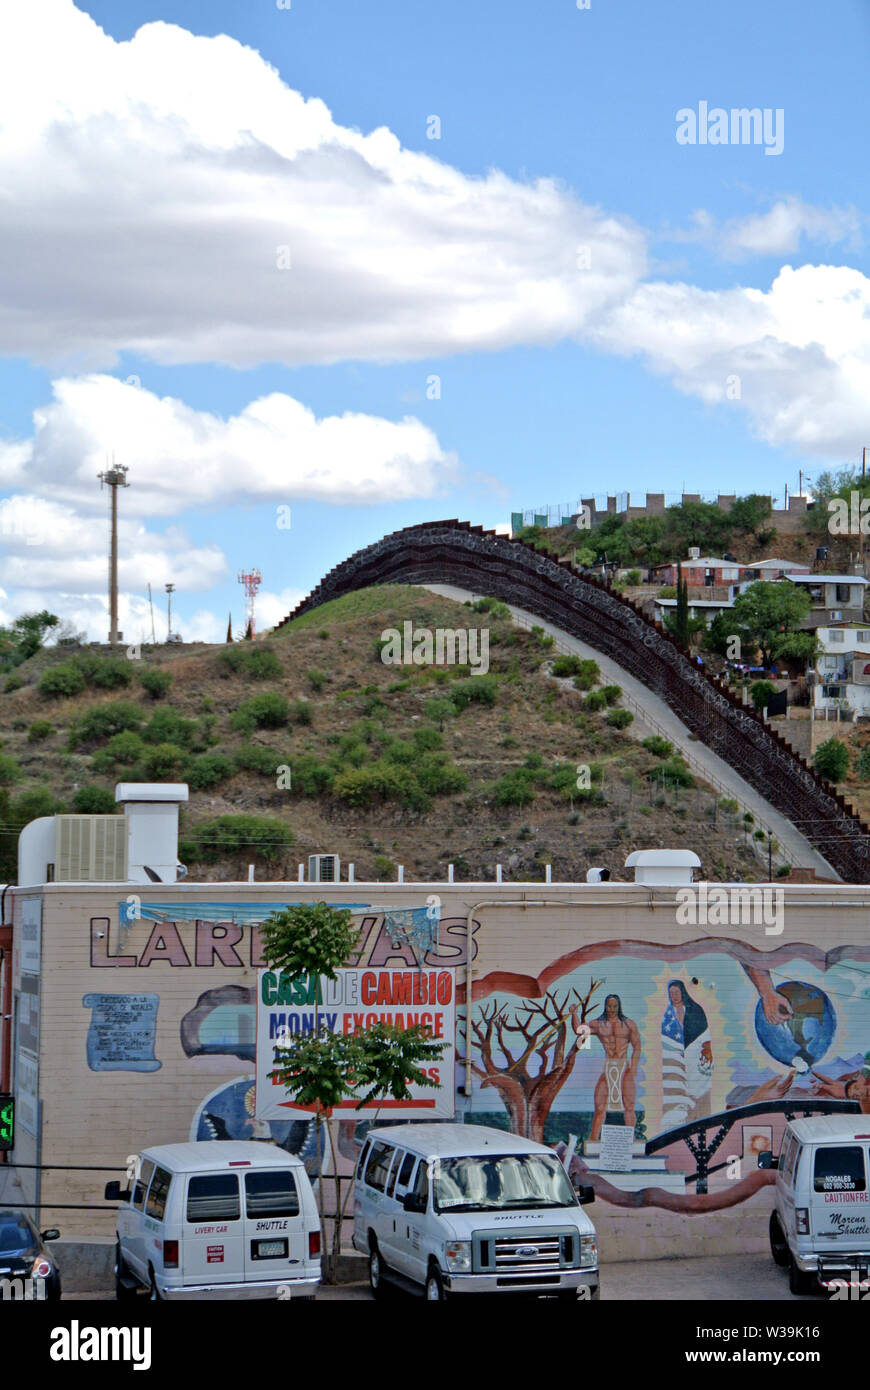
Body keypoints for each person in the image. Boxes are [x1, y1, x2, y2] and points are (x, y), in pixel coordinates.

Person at [573, 994, 641, 1141]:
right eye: (609, 1006)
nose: (612, 1009)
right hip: (608, 1067)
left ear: (619, 1006)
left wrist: (634, 1066)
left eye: (614, 1006)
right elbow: (579, 1030)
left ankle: (632, 1137)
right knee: (600, 1106)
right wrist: (573, 1013)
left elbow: (637, 1046)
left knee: (629, 1106)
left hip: (624, 1068)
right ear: (605, 1006)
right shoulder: (599, 1024)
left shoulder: (629, 1024)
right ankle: (593, 1138)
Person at [661, 980, 713, 1128]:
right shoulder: (668, 1014)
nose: (674, 996)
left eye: (677, 992)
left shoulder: (695, 1010)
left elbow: (705, 1036)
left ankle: (701, 1121)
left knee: (698, 1091)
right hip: (676, 1059)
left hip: (695, 1055)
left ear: (683, 992)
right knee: (678, 1090)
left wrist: (706, 1049)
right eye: (671, 993)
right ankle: (680, 1123)